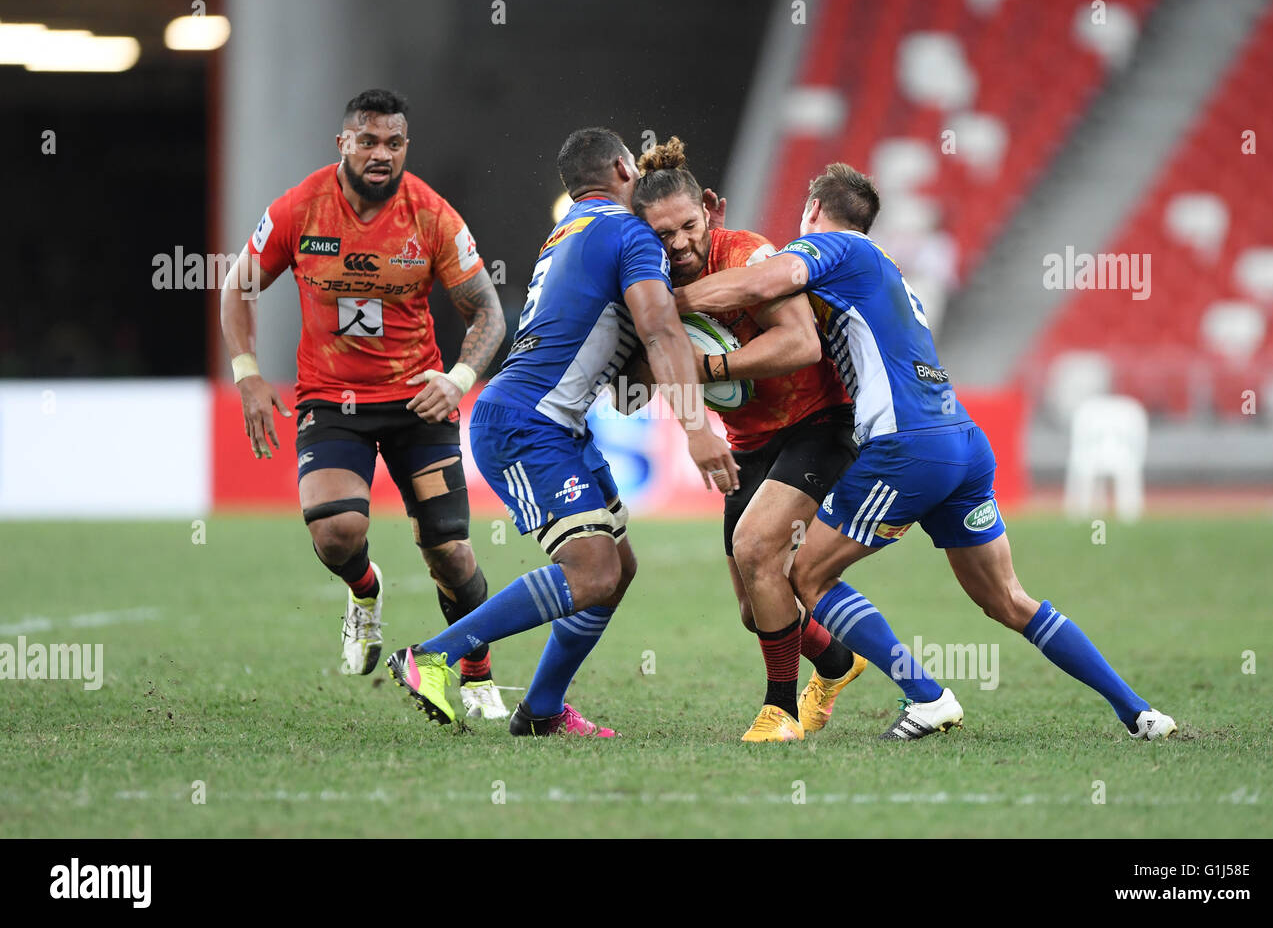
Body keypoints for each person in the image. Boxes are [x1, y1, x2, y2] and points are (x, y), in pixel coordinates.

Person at [676, 162, 1178, 741]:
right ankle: (1138, 711)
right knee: (1008, 601)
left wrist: (671, 302)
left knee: (804, 574)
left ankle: (927, 696)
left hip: (905, 447)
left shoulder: (837, 248)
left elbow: (763, 281)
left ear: (814, 209)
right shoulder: (886, 270)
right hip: (961, 441)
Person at [385, 127, 738, 737]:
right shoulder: (630, 233)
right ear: (625, 171)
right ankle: (435, 656)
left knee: (616, 570)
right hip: (528, 424)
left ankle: (541, 710)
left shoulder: (568, 233)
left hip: (555, 424)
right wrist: (696, 428)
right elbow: (659, 332)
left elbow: (617, 354)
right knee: (593, 572)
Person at [219, 89, 512, 720]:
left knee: (449, 551)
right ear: (343, 143)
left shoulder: (431, 216)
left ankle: (479, 670)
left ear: (407, 146)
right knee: (335, 533)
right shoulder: (300, 208)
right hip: (331, 400)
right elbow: (237, 284)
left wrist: (458, 379)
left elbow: (487, 310)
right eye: (369, 141)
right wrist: (247, 374)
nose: (382, 154)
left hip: (418, 403)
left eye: (395, 143)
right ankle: (364, 593)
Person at [631, 137, 875, 742]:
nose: (679, 243)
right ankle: (840, 663)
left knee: (760, 550)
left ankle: (780, 712)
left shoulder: (747, 254)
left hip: (819, 423)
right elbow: (649, 367)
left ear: (710, 207)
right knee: (754, 607)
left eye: (688, 225)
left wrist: (706, 369)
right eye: (661, 234)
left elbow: (800, 344)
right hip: (749, 443)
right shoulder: (646, 279)